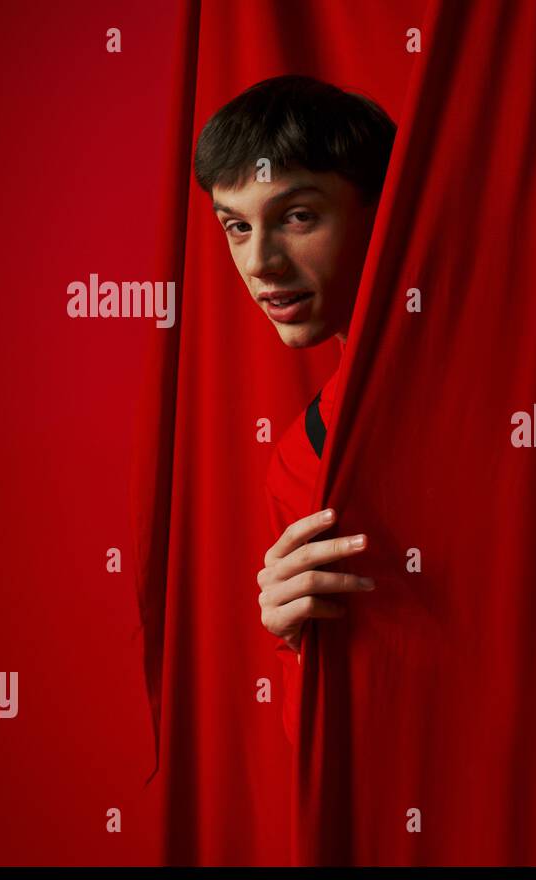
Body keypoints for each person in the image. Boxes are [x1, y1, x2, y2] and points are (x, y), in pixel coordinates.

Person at [192, 74, 392, 736]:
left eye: (297, 216)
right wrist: (294, 640)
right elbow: (321, 742)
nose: (260, 262)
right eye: (237, 226)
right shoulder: (301, 458)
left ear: (381, 212)